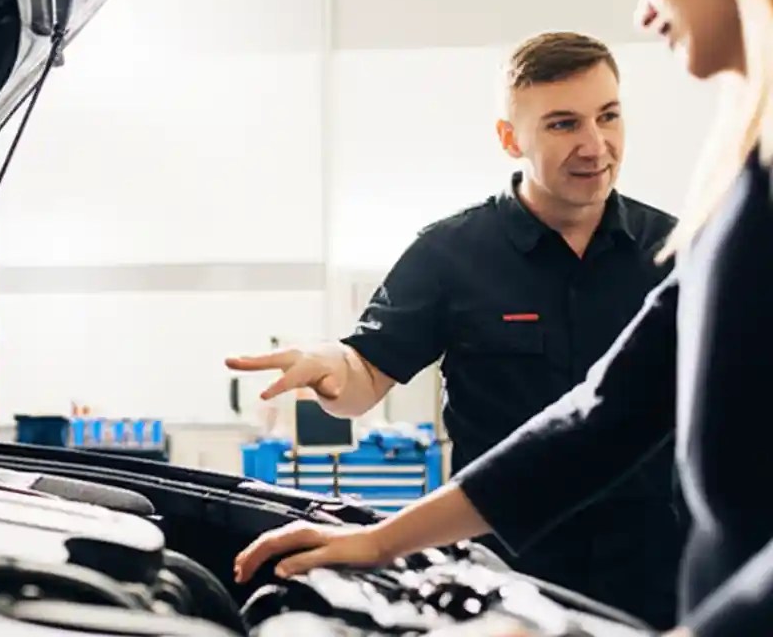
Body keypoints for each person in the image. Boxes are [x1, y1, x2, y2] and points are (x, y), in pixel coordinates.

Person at [233, 0, 773, 634]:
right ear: (511, 138)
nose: (645, 8)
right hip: (526, 572)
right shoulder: (730, 201)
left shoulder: (682, 231)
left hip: (668, 585)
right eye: (562, 124)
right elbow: (603, 418)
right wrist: (378, 541)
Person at [226, 30, 684, 626]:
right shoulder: (451, 254)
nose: (595, 144)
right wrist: (332, 366)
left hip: (655, 570)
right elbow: (366, 371)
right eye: (563, 124)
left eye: (609, 116)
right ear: (509, 138)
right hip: (506, 574)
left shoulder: (679, 247)